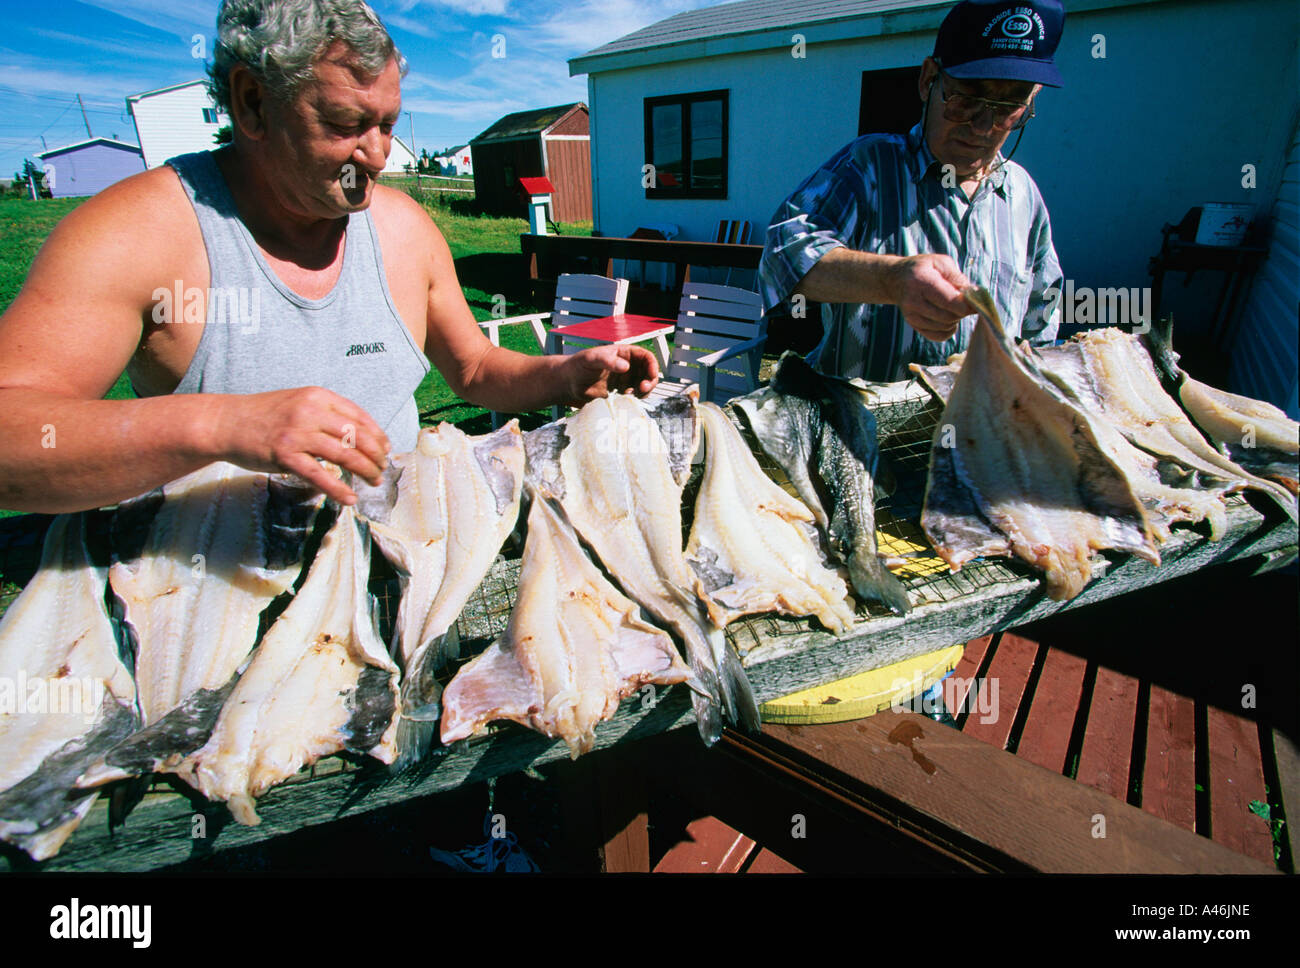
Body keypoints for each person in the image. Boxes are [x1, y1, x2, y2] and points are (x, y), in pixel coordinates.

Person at [0, 0, 658, 514]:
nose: (376, 155)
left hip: (402, 569)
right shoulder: (139, 232)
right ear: (252, 103)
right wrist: (225, 420)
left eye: (388, 125)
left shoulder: (403, 228)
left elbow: (477, 369)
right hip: (215, 609)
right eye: (345, 125)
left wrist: (568, 373)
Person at [758, 0, 1066, 381]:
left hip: (979, 431)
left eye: (1008, 106)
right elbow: (780, 257)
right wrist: (892, 279)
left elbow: (1041, 319)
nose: (984, 126)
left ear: (1031, 101)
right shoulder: (871, 166)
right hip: (865, 430)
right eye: (966, 98)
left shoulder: (1023, 195)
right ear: (927, 80)